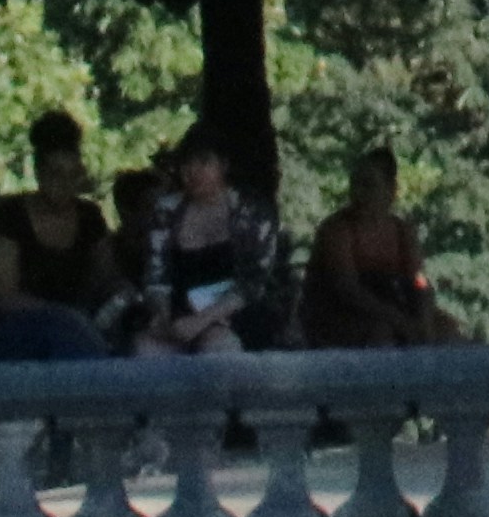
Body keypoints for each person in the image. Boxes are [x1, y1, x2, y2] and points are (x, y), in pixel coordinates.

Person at [0, 111, 122, 362]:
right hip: (16, 331)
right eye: (56, 174)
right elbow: (6, 297)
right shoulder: (11, 216)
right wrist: (64, 317)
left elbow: (106, 276)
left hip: (79, 329)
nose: (64, 184)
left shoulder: (90, 217)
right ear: (38, 171)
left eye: (72, 175)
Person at [135, 133, 276, 356]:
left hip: (235, 313)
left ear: (223, 166)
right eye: (186, 164)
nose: (193, 171)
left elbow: (254, 282)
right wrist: (163, 317)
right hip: (179, 313)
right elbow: (156, 275)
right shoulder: (166, 211)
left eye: (203, 162)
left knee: (218, 347)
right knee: (147, 348)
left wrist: (201, 320)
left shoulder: (251, 211)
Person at [296, 149, 452, 349]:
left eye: (368, 185)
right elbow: (348, 290)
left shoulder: (402, 231)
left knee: (446, 330)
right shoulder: (337, 230)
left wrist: (425, 320)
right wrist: (399, 321)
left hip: (391, 311)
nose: (358, 193)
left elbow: (419, 281)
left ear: (391, 191)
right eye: (355, 184)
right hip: (337, 316)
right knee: (380, 332)